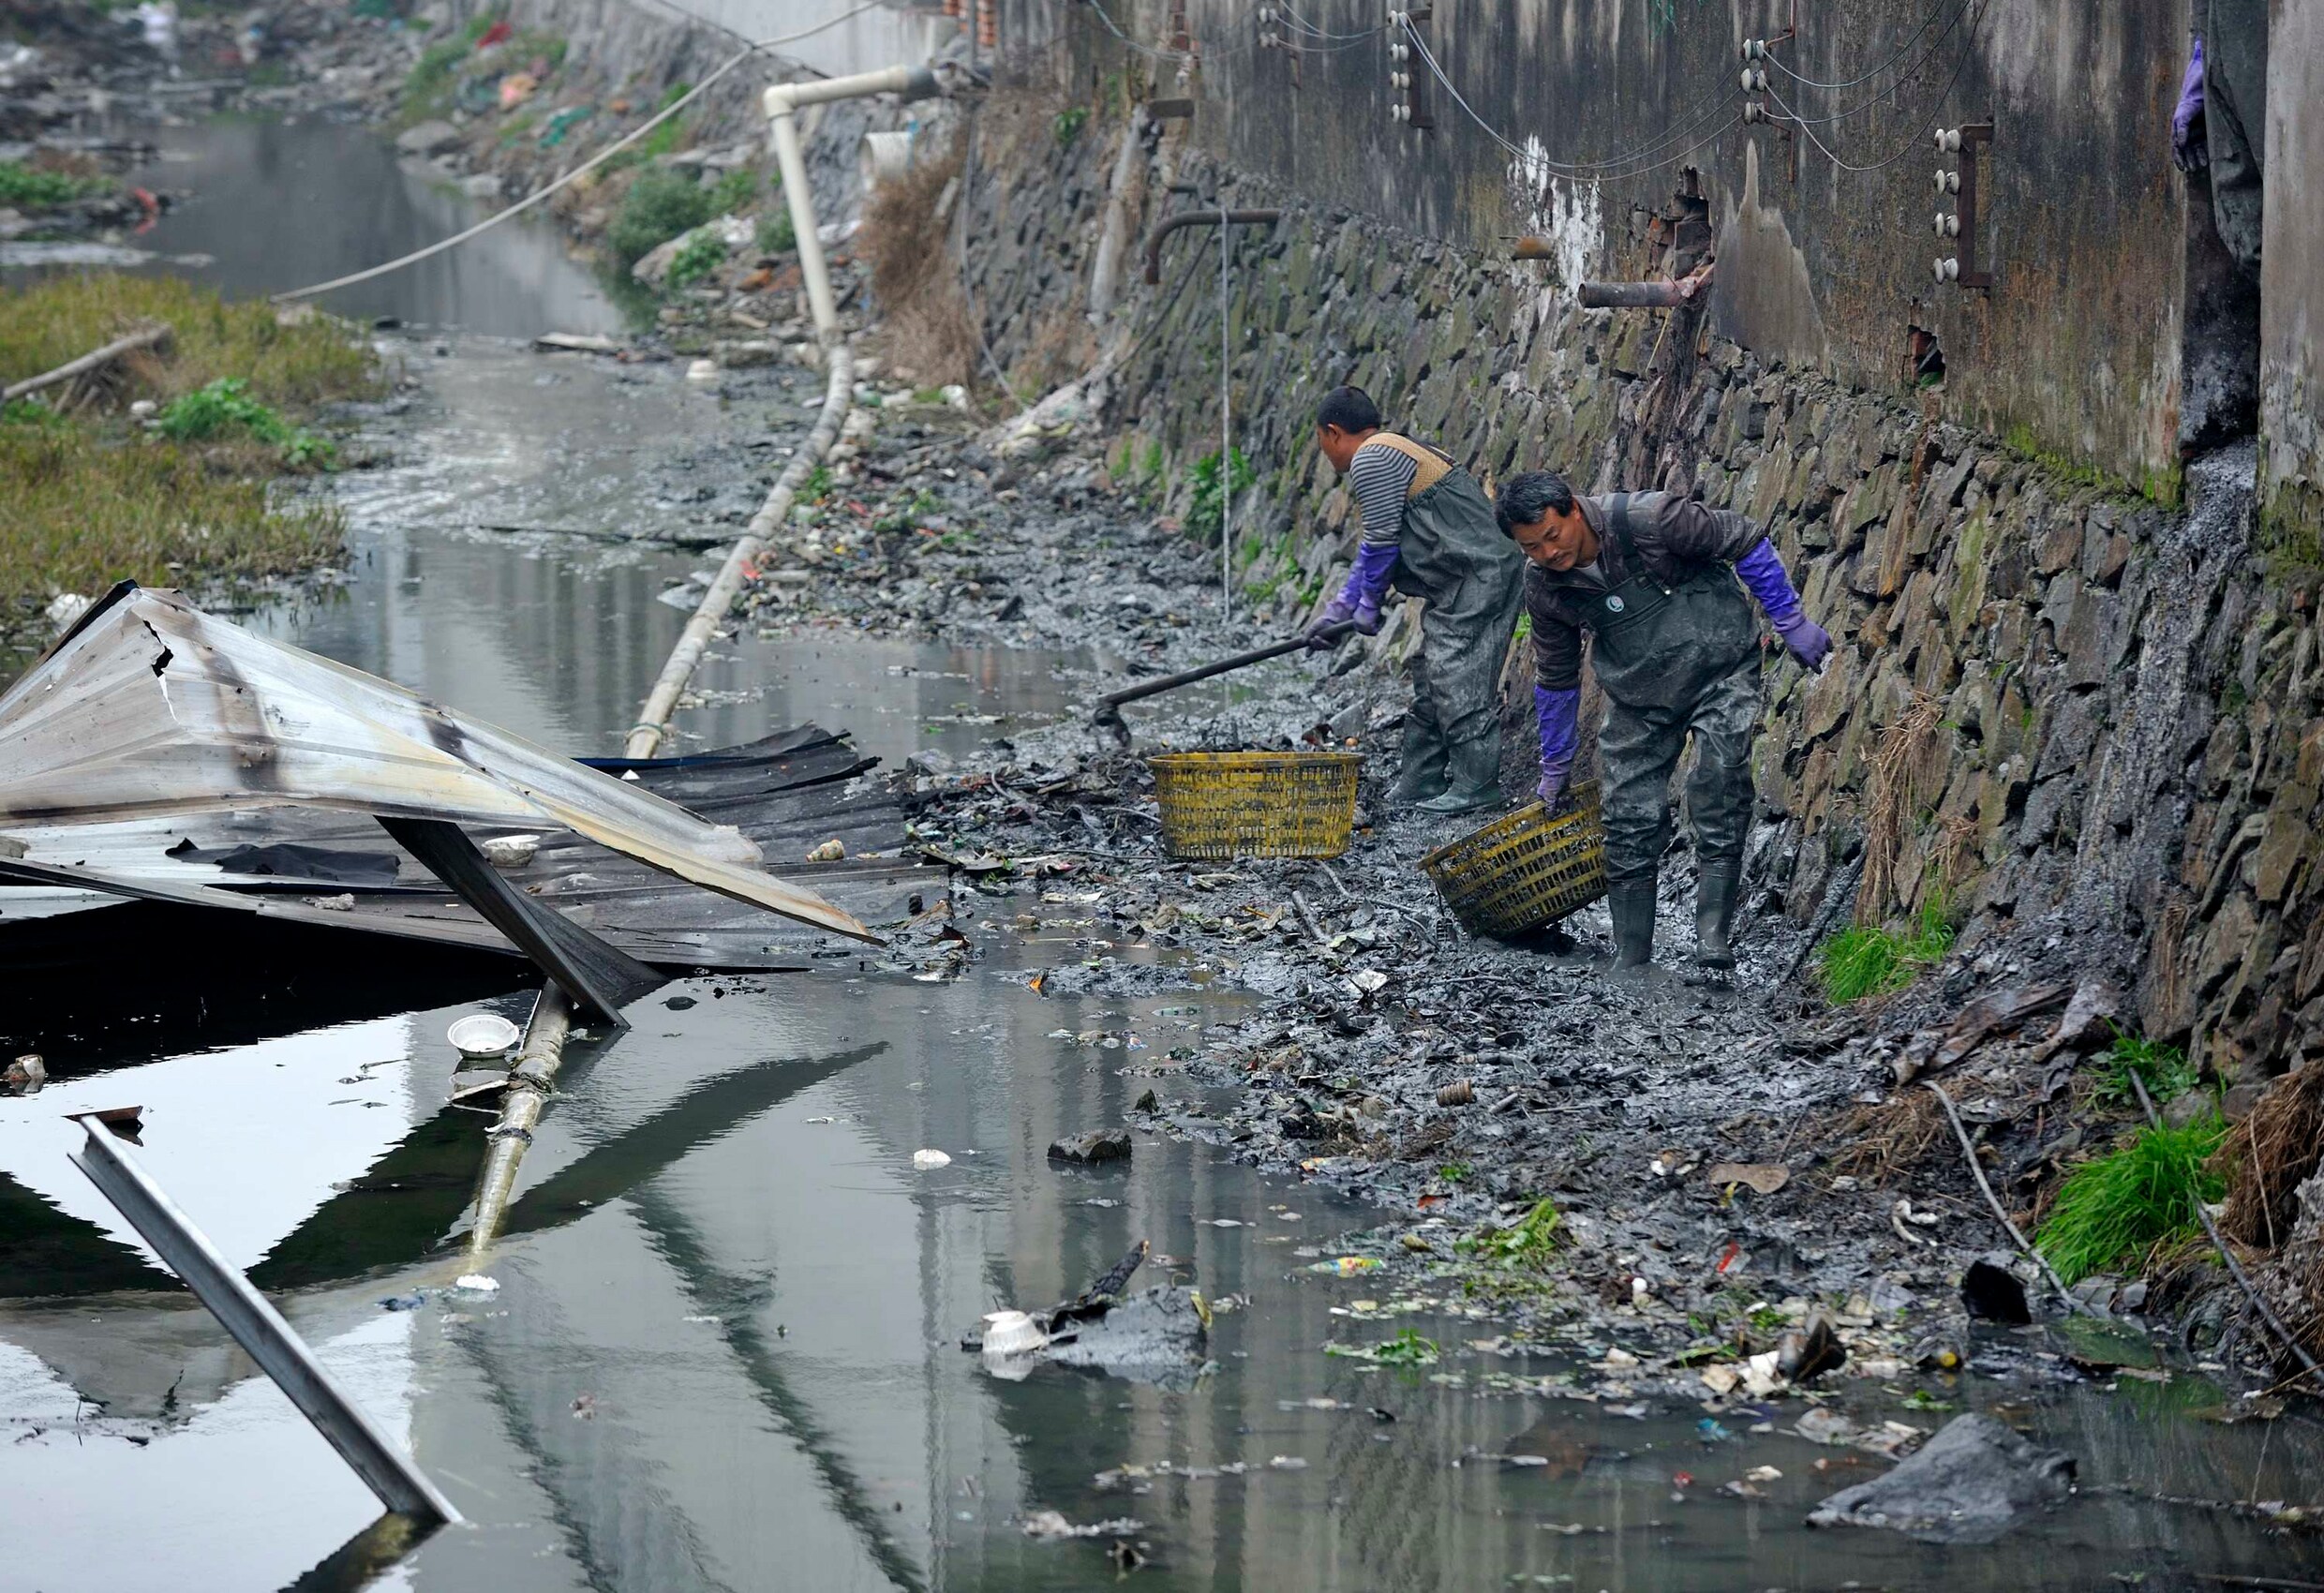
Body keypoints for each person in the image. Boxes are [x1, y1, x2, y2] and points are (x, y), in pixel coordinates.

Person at [1495, 471, 1830, 974]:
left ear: (1573, 510)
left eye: (1552, 536)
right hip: (1639, 695)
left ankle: (1713, 939)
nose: (1548, 553)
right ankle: (1631, 957)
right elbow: (1557, 675)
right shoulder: (1543, 585)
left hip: (1719, 668)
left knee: (1719, 784)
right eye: (1531, 548)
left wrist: (1790, 620)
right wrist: (1556, 762)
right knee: (1627, 816)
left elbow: (1744, 538)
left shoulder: (1650, 520)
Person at [1304, 386, 1526, 814]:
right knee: (1431, 673)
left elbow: (1380, 542)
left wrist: (1368, 604)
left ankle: (1477, 785)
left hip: (1479, 576)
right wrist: (1340, 610)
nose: (1325, 453)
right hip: (1461, 580)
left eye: (1320, 441)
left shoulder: (1372, 457)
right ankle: (1421, 778)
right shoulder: (1391, 450)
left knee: (1455, 675)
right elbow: (1374, 547)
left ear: (1333, 432)